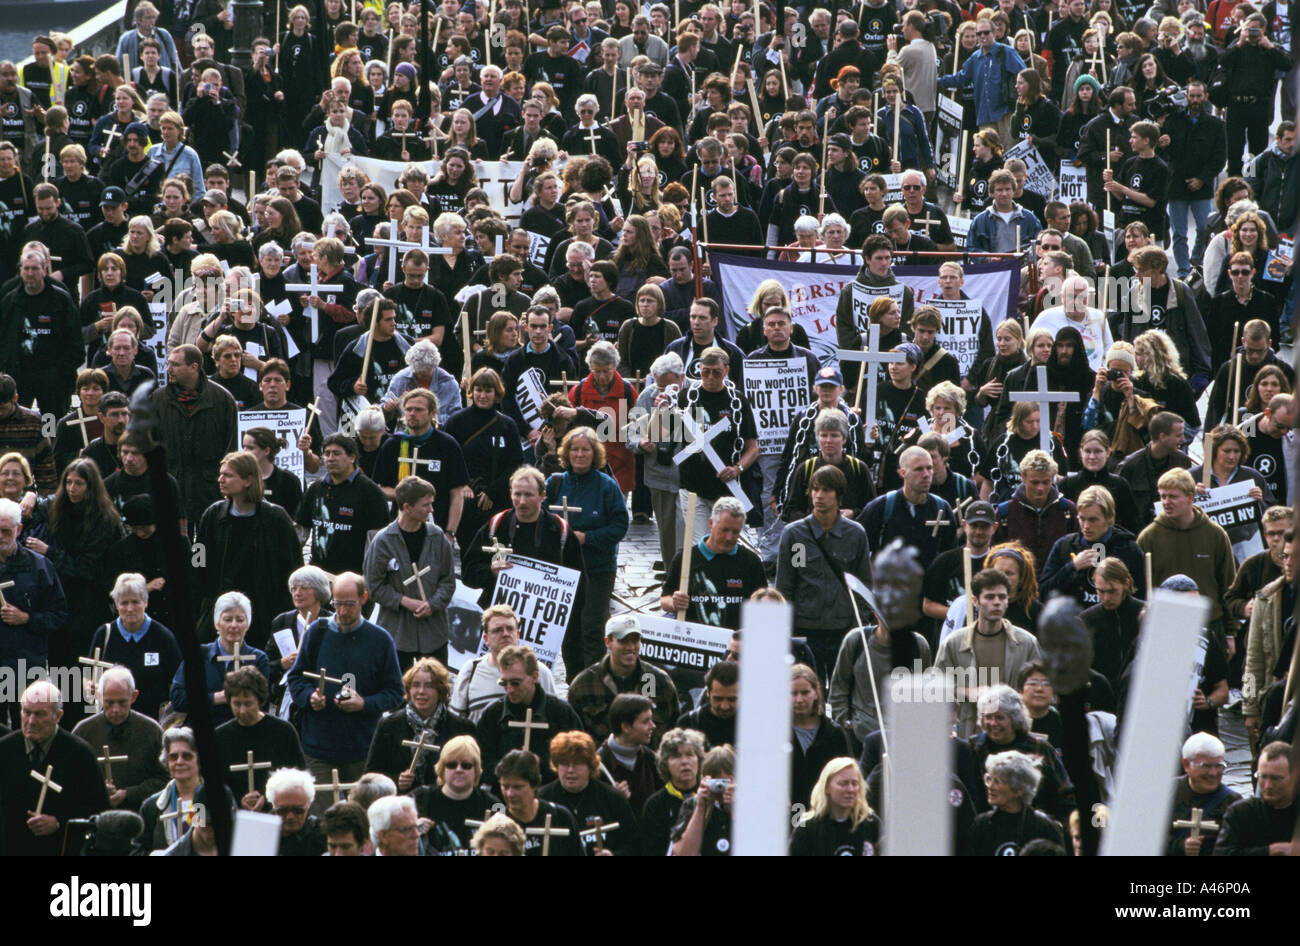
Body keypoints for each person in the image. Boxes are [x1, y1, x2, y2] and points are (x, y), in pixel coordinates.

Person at [287, 572, 406, 813]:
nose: (341, 612)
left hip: (362, 749)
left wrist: (365, 703)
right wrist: (310, 698)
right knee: (322, 819)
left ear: (363, 598)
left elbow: (395, 693)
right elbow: (296, 678)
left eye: (349, 604)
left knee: (364, 817)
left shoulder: (380, 640)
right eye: (337, 604)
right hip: (318, 746)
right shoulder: (317, 633)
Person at [776, 465, 876, 681]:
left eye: (827, 490)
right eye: (815, 489)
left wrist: (856, 624)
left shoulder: (855, 534)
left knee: (843, 690)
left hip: (843, 630)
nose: (819, 495)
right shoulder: (795, 535)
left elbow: (864, 585)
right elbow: (786, 585)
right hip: (804, 630)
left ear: (839, 495)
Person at [193, 450, 301, 648]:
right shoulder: (212, 516)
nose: (220, 479)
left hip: (264, 611)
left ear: (248, 480)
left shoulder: (276, 518)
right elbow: (198, 560)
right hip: (221, 606)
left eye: (228, 475)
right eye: (220, 474)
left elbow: (293, 566)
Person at [545, 424, 630, 671]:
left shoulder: (606, 485)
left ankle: (593, 680)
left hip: (597, 568)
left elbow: (620, 525)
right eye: (574, 450)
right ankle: (574, 683)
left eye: (585, 450)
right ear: (567, 453)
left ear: (595, 454)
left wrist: (587, 538)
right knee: (569, 631)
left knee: (592, 627)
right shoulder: (555, 483)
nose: (579, 455)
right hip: (565, 569)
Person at [935, 568, 1044, 737]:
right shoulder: (954, 644)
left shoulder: (1026, 643)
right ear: (975, 601)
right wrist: (968, 692)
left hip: (1014, 735)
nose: (997, 602)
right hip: (969, 733)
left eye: (1002, 597)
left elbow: (1039, 690)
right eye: (989, 597)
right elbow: (936, 688)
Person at [363, 476, 456, 668]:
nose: (432, 510)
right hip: (397, 632)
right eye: (426, 505)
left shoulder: (437, 536)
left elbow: (448, 580)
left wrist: (433, 604)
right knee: (397, 690)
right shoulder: (382, 541)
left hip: (433, 632)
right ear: (407, 507)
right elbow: (373, 586)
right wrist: (404, 601)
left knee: (436, 689)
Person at [1138, 468, 1236, 637]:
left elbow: (1228, 586)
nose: (1166, 502)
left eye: (1173, 496)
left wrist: (1230, 633)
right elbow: (1140, 591)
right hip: (1165, 628)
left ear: (1190, 497)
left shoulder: (1216, 535)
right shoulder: (1148, 537)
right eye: (1163, 496)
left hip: (1209, 627)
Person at [150, 344, 237, 527]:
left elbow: (232, 447)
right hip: (172, 485)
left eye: (175, 364)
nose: (168, 369)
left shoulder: (222, 400)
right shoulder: (157, 400)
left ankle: (201, 558)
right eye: (168, 364)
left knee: (207, 545)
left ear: (194, 367)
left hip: (210, 487)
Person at [363, 657, 476, 793]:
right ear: (408, 690)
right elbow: (371, 775)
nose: (421, 691)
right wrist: (396, 780)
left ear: (441, 691)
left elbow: (475, 773)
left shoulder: (462, 728)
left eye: (429, 686)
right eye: (415, 685)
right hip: (401, 804)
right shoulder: (388, 725)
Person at [477, 643, 583, 785]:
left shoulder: (561, 713)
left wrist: (541, 766)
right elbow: (480, 762)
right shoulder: (492, 715)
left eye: (516, 683)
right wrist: (507, 768)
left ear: (534, 677)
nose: (509, 689)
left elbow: (579, 759)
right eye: (504, 683)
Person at [567, 613, 678, 747]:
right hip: (601, 764)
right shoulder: (583, 685)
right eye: (623, 640)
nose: (631, 647)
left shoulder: (660, 681)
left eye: (635, 640)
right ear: (607, 642)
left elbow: (675, 731)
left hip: (649, 764)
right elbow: (572, 736)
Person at [71, 666, 167, 814]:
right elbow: (72, 778)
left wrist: (129, 793)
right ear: (99, 696)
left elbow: (166, 778)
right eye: (109, 703)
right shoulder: (84, 731)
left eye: (122, 702)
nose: (116, 709)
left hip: (140, 815)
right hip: (96, 815)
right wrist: (97, 789)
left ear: (133, 696)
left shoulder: (152, 731)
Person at [661, 497, 766, 632]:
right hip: (695, 640)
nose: (729, 537)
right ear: (711, 524)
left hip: (735, 643)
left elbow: (764, 607)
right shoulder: (686, 558)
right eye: (724, 530)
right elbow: (665, 599)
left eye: (735, 532)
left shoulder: (751, 561)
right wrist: (674, 603)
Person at [86, 572, 181, 721]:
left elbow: (178, 680)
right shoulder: (104, 634)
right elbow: (88, 674)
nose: (130, 608)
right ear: (117, 605)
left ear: (146, 602)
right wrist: (89, 687)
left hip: (154, 720)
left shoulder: (163, 636)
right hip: (112, 717)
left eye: (135, 602)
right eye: (124, 603)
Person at [295, 433, 391, 577]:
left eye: (336, 453)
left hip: (354, 578)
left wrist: (369, 577)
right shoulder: (316, 489)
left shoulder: (370, 492)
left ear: (352, 457)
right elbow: (300, 534)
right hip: (319, 576)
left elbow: (377, 542)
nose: (330, 458)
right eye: (327, 454)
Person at [214, 668, 306, 812]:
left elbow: (299, 776)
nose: (242, 710)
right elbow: (215, 783)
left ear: (260, 701)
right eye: (237, 704)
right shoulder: (220, 736)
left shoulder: (283, 732)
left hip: (280, 812)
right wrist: (238, 800)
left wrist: (270, 797)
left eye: (248, 703)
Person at [1041, 485, 1146, 607]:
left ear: (1109, 518)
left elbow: (1141, 597)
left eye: (1093, 520)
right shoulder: (1064, 546)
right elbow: (1043, 593)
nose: (1086, 526)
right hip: (1075, 621)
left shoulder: (1129, 549)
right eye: (1082, 519)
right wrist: (1072, 567)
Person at [538, 730, 638, 855]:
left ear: (590, 766)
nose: (570, 770)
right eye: (564, 764)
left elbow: (634, 845)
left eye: (577, 764)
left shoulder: (612, 798)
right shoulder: (541, 799)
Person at [861, 446, 958, 568]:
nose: (926, 474)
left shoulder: (942, 508)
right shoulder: (882, 507)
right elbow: (859, 547)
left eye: (929, 468)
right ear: (903, 473)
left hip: (930, 584)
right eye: (919, 469)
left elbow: (951, 555)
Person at [1243, 533, 1296, 747]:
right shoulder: (1267, 597)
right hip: (1274, 700)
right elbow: (1253, 659)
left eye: (1295, 557)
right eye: (1285, 557)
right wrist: (1250, 707)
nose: (1289, 563)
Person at [993, 448, 1078, 575]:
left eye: (1046, 482)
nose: (1040, 488)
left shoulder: (1068, 510)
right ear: (1022, 477)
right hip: (1018, 586)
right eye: (1035, 482)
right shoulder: (1005, 512)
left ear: (1053, 478)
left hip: (1058, 584)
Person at [968, 749, 1067, 855]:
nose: (990, 786)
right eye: (989, 779)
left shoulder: (1043, 827)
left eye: (997, 781)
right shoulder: (982, 823)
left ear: (1020, 789)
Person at [412, 734, 502, 850]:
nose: (459, 770)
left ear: (476, 769)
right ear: (442, 768)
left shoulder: (493, 804)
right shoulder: (419, 799)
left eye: (466, 765)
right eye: (451, 765)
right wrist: (411, 830)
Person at [493, 748, 584, 856]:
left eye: (517, 787)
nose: (510, 794)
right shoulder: (497, 825)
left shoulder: (560, 817)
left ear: (534, 785)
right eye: (505, 786)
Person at [1214, 741, 1299, 856]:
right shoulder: (1240, 813)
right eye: (1263, 777)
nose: (1268, 786)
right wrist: (1269, 851)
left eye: (1276, 778)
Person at [1167, 732, 1242, 857]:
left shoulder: (1233, 802)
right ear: (1186, 764)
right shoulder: (1165, 793)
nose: (1213, 773)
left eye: (1218, 766)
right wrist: (1179, 846)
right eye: (1205, 766)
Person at [789, 757, 882, 856]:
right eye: (843, 783)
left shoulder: (870, 823)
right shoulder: (808, 828)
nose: (850, 789)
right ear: (827, 787)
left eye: (854, 783)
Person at [1116, 411, 1190, 529]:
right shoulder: (1129, 466)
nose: (1183, 439)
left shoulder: (1183, 462)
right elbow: (1117, 506)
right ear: (1162, 437)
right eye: (1178, 435)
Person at [639, 727, 704, 856]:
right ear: (665, 764)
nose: (685, 762)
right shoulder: (655, 805)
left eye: (690, 754)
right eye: (676, 756)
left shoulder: (711, 797)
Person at [668, 744, 735, 856]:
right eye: (715, 783)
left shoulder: (751, 804)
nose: (719, 788)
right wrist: (700, 807)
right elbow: (683, 853)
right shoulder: (692, 804)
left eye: (724, 782)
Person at [263, 768, 326, 856]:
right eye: (283, 810)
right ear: (273, 805)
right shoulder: (260, 833)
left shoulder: (323, 835)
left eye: (298, 810)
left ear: (308, 804)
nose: (290, 816)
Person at [676, 660, 738, 749]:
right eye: (718, 699)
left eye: (732, 699)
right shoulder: (688, 723)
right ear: (708, 692)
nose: (725, 706)